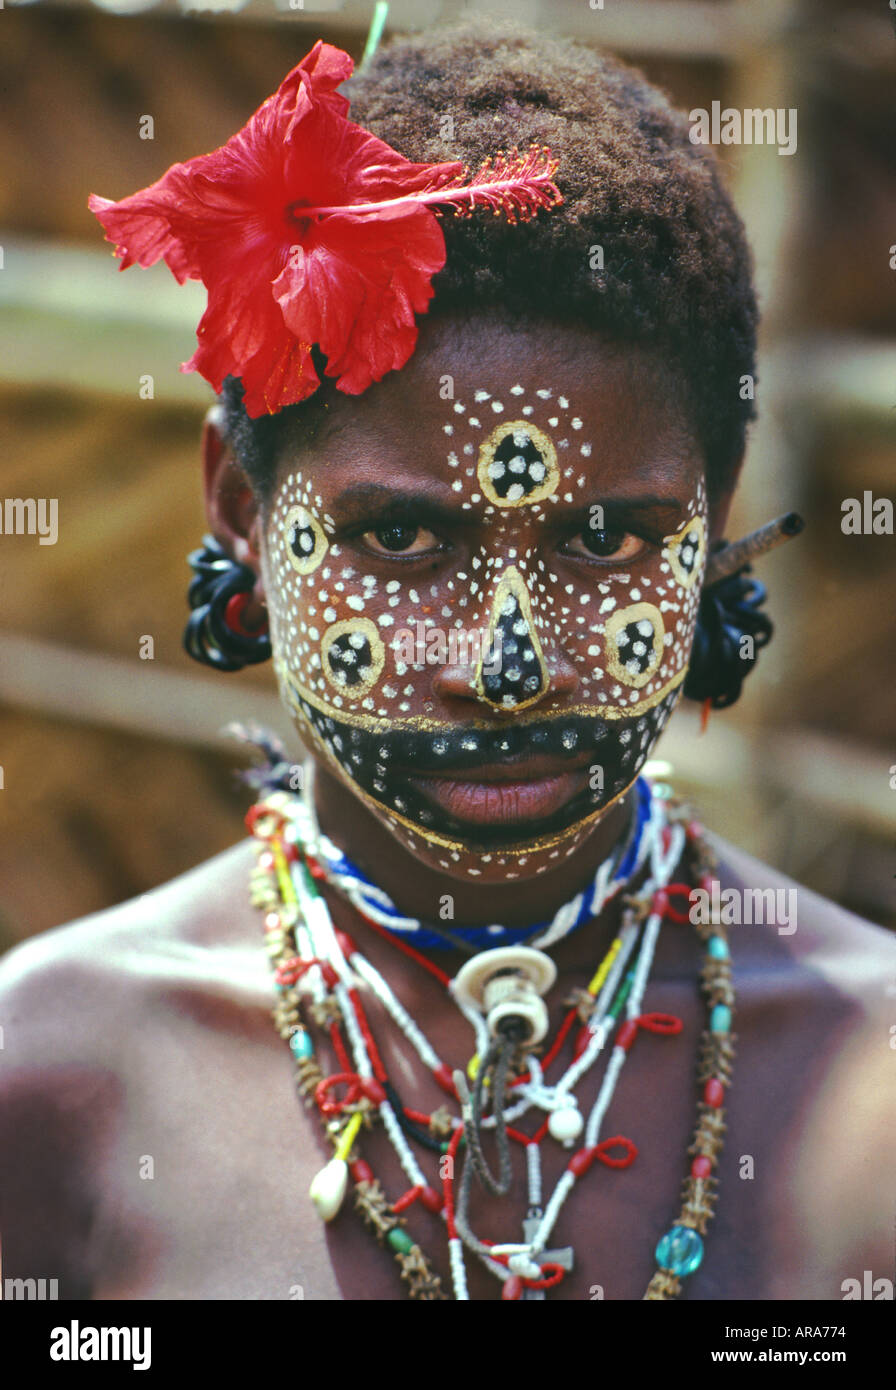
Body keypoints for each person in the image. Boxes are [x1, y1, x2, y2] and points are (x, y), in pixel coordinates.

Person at [0, 20, 893, 1303]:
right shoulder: (55, 1074)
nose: (506, 662)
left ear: (710, 524)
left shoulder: (869, 1078)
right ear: (242, 516)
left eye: (603, 538)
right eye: (405, 536)